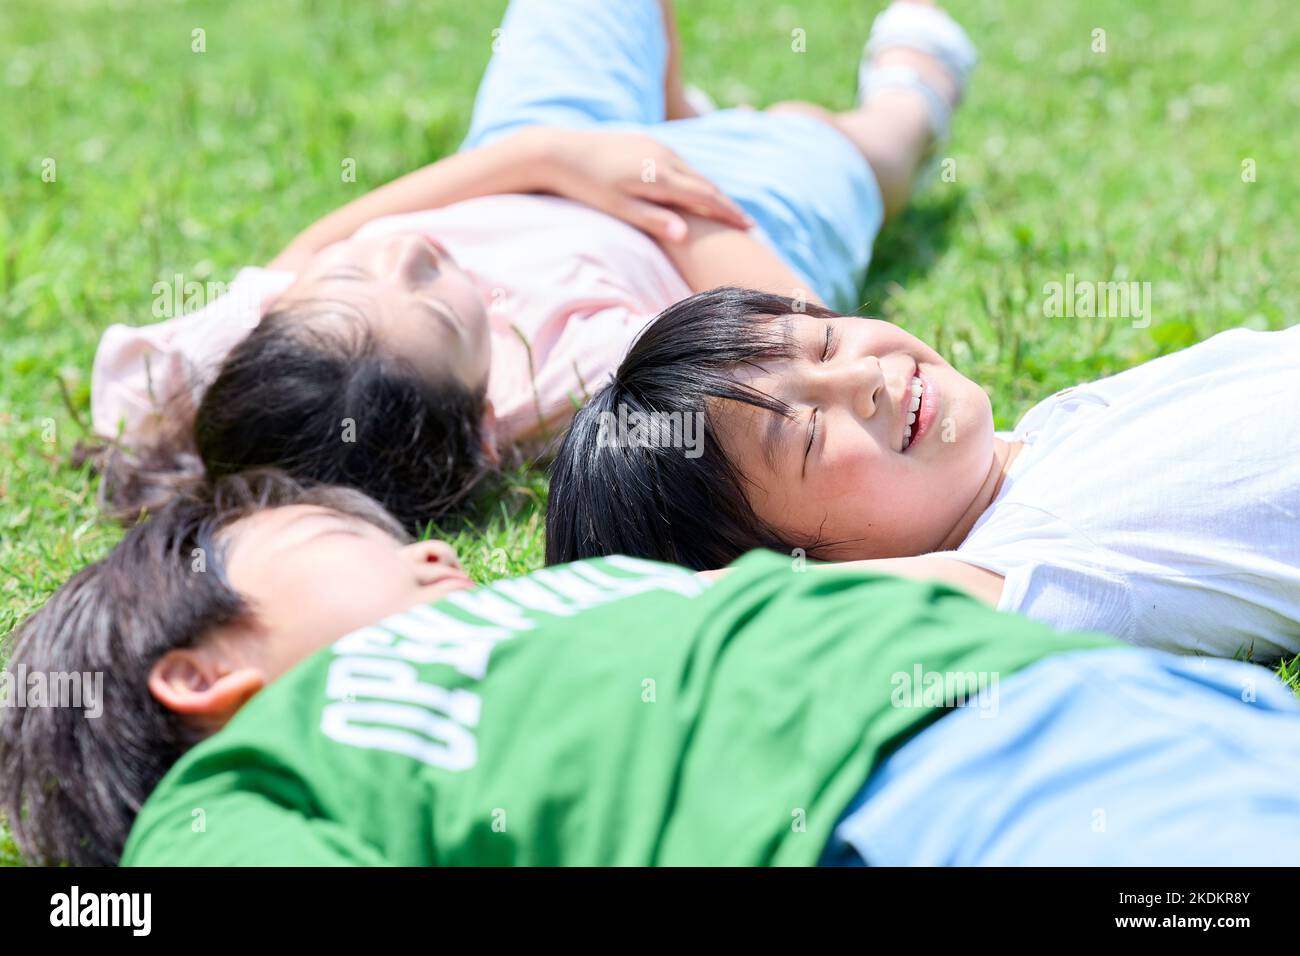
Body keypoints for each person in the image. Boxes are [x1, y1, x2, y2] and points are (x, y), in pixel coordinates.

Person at [2, 471, 1297, 866]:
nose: (442, 546)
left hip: (1130, 710)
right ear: (201, 672)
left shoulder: (575, 605)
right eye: (356, 541)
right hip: (929, 803)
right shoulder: (262, 778)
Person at [92, 0, 977, 533]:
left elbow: (316, 247)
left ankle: (674, 108)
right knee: (847, 150)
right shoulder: (561, 381)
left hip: (533, 149)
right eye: (437, 305)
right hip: (716, 213)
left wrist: (558, 156)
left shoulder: (265, 365)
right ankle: (908, 91)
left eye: (355, 271)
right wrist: (675, 198)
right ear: (482, 424)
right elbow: (787, 317)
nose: (411, 247)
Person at [546, 287, 1300, 662]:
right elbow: (687, 609)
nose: (864, 378)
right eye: (806, 435)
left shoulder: (1039, 438)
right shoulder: (1037, 569)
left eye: (826, 340)